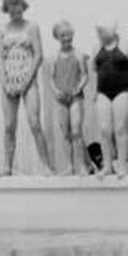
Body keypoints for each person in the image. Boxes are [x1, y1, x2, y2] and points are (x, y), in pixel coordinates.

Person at [0, 0, 54, 176]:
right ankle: (7, 166)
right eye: (11, 8)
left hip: (28, 80)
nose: (15, 11)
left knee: (35, 123)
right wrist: (5, 83)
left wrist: (27, 81)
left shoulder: (32, 26)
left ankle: (46, 165)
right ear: (7, 10)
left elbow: (38, 55)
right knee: (9, 126)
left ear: (23, 7)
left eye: (18, 7)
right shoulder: (1, 29)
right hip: (9, 82)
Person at [93, 22, 128, 179]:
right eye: (98, 32)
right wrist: (95, 90)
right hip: (103, 92)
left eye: (102, 31)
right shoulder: (96, 49)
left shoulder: (126, 45)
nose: (99, 35)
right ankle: (107, 165)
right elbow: (95, 71)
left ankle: (122, 164)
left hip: (122, 90)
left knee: (120, 128)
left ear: (111, 31)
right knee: (104, 129)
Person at [49, 21, 89, 176]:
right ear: (57, 37)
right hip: (61, 98)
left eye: (69, 34)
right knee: (65, 132)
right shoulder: (53, 56)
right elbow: (51, 78)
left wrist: (79, 87)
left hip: (75, 97)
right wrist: (55, 91)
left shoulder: (78, 54)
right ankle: (69, 166)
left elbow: (85, 75)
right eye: (62, 35)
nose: (66, 38)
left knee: (76, 130)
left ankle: (82, 166)